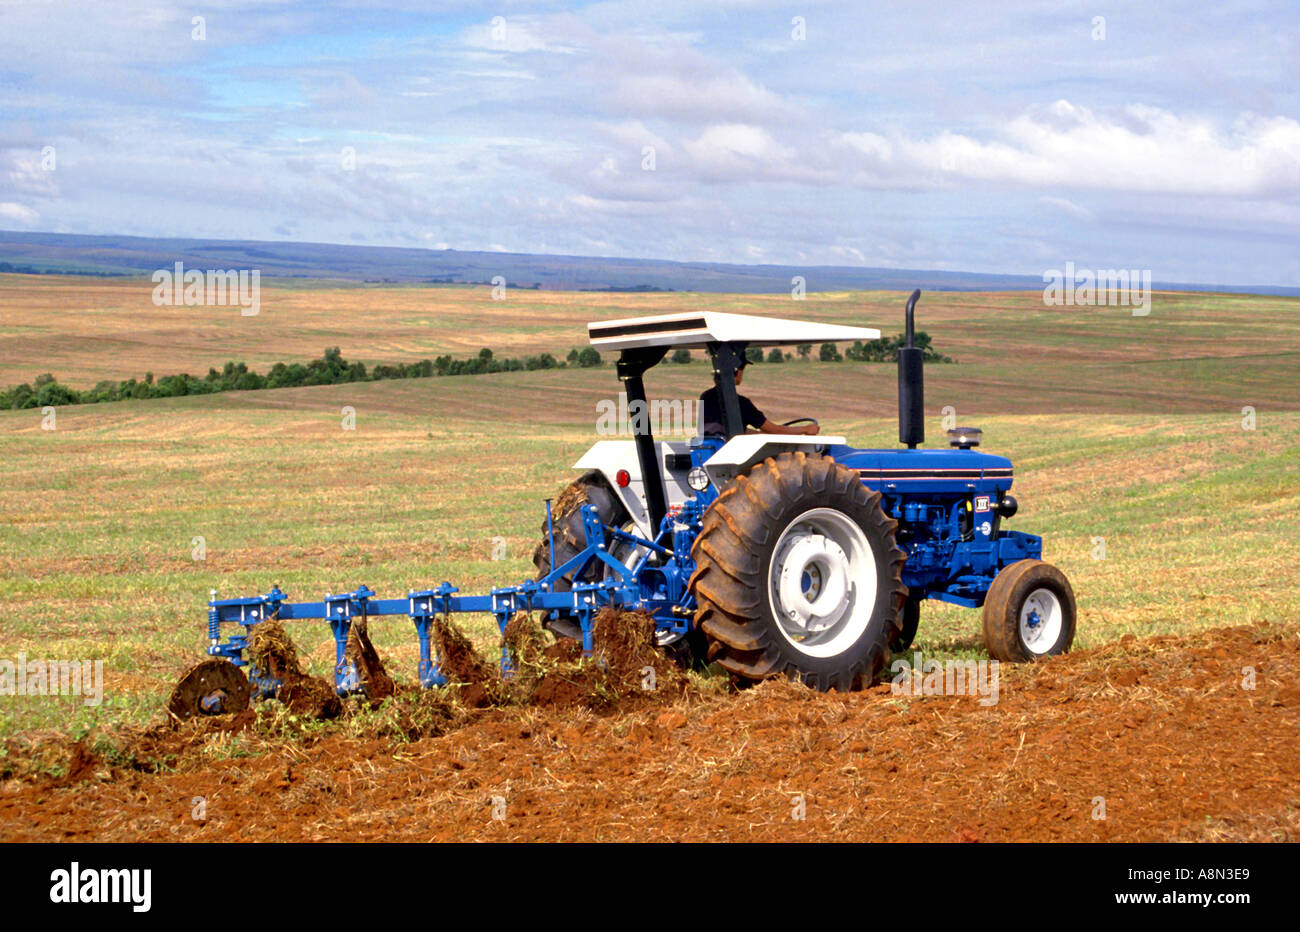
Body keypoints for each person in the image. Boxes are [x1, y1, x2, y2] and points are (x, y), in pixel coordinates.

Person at [699, 356, 819, 436]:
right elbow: (774, 430)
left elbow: (726, 430)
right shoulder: (739, 403)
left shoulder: (706, 397)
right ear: (737, 372)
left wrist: (760, 434)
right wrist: (805, 429)